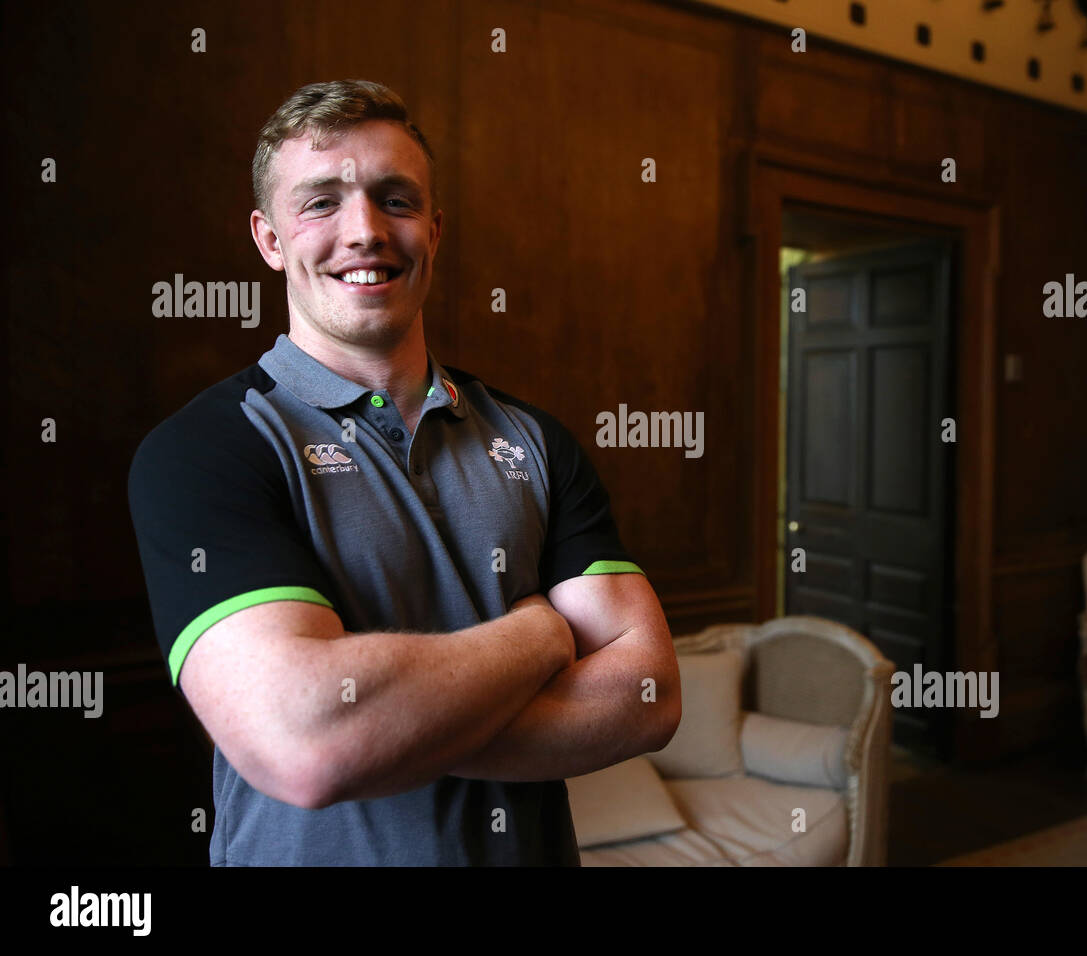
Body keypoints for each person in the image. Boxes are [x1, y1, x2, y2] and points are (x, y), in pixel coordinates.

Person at [127, 79, 681, 866]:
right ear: (270, 239)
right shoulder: (206, 449)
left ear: (435, 227)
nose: (364, 231)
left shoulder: (536, 441)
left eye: (395, 198)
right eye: (319, 202)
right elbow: (305, 742)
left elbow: (649, 695)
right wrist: (541, 630)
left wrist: (382, 727)